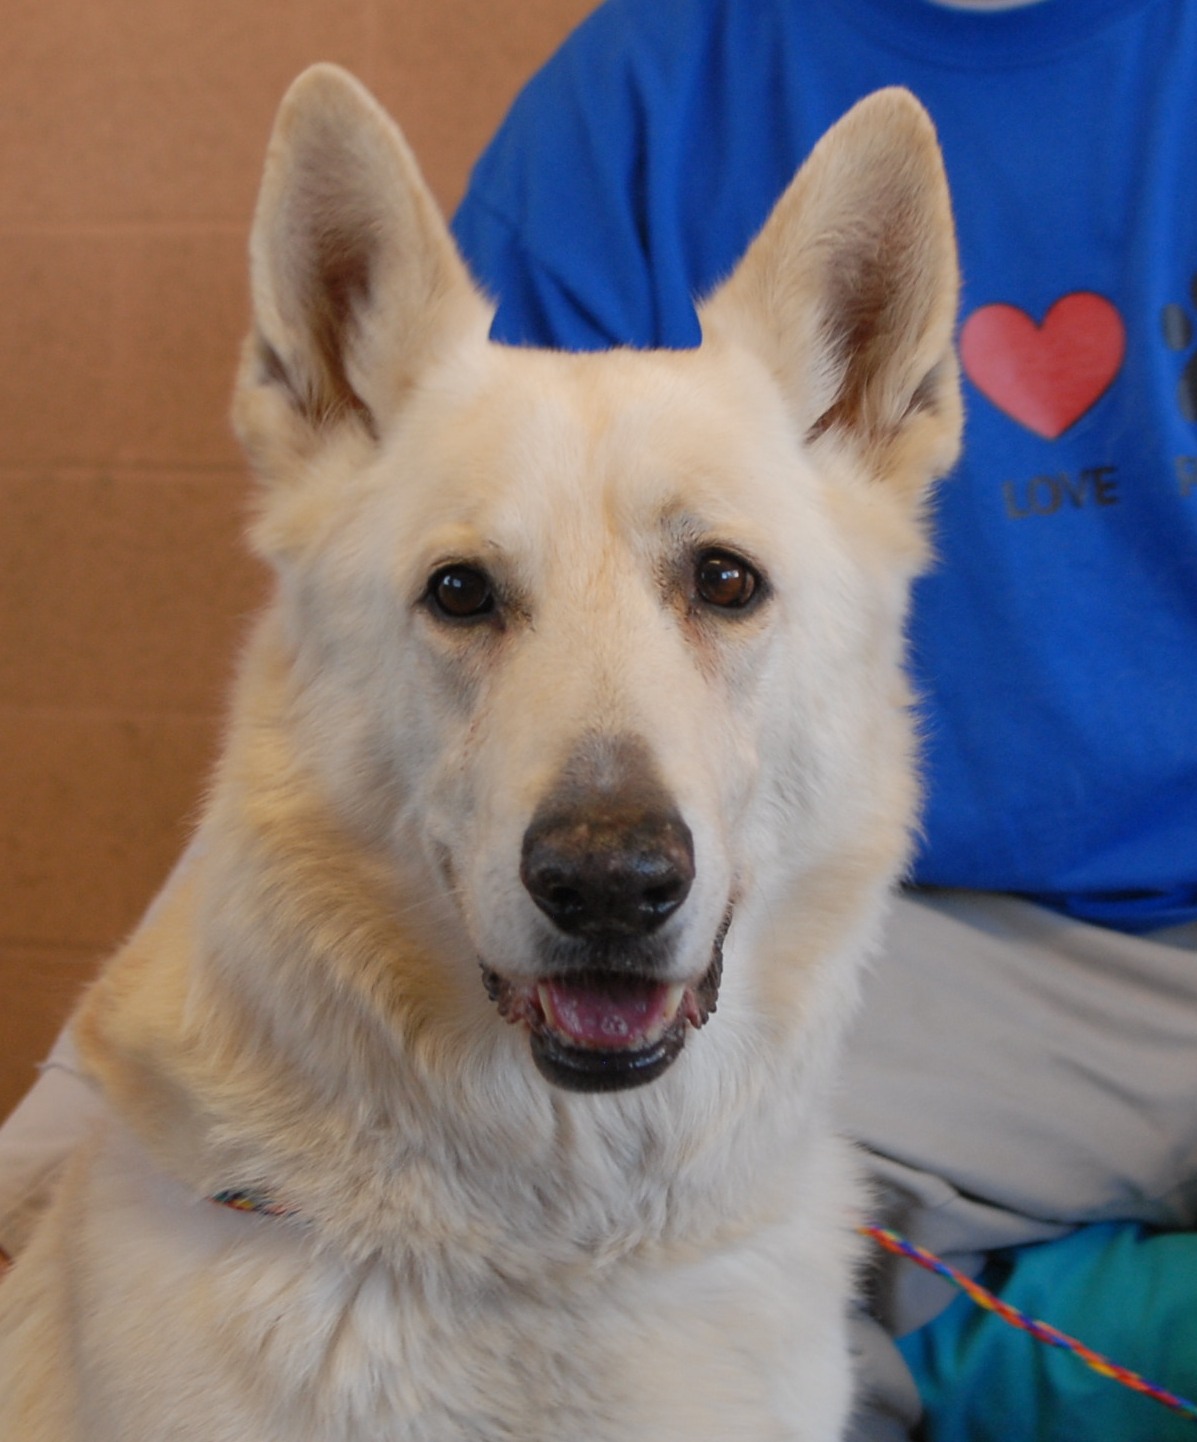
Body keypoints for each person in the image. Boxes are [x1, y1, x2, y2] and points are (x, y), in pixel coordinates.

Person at [4, 1, 1197, 1437]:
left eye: (721, 582)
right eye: (470, 595)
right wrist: (73, 1138)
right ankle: (974, 1337)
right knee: (659, 1201)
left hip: (1083, 941)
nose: (606, 858)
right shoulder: (656, 82)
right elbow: (325, 699)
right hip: (944, 946)